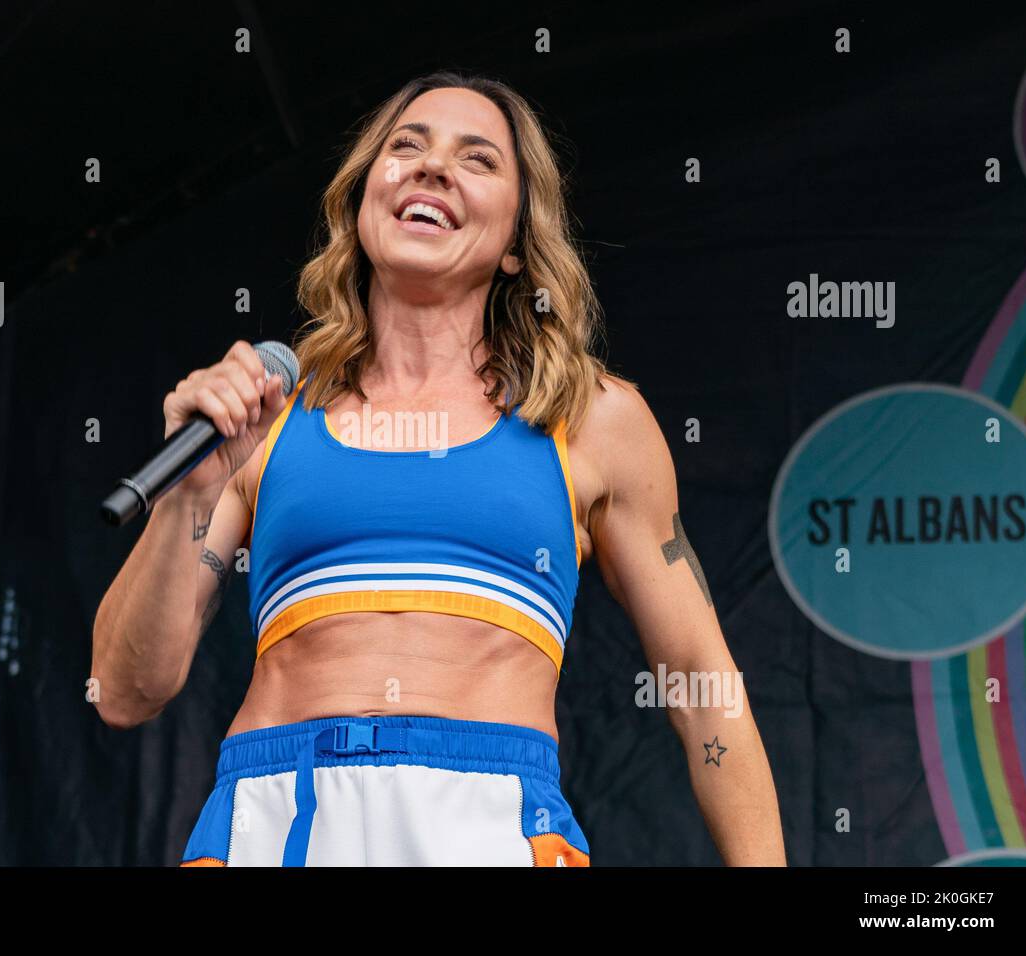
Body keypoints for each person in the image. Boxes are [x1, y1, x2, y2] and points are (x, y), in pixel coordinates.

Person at [91, 71, 785, 866]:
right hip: (275, 810)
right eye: (406, 149)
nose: (431, 168)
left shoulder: (593, 419)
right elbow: (119, 691)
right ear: (361, 202)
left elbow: (701, 684)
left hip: (487, 819)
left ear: (521, 243)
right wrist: (189, 498)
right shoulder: (264, 417)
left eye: (478, 159)